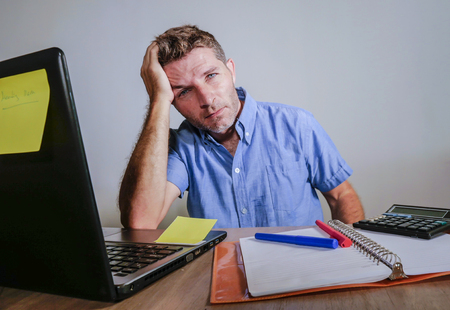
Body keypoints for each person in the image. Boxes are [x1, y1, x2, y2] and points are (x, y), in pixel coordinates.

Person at [119, 25, 365, 229]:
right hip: (220, 281)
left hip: (300, 273)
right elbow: (141, 223)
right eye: (184, 92)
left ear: (231, 71)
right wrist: (158, 102)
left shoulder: (296, 124)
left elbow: (341, 195)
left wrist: (351, 259)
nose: (206, 100)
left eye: (211, 76)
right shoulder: (181, 146)